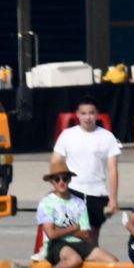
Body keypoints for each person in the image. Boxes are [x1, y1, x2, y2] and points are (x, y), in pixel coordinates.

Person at [35, 160, 118, 268]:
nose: (62, 182)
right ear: (51, 182)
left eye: (65, 178)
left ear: (69, 180)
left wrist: (61, 229)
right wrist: (74, 227)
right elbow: (51, 234)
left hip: (78, 243)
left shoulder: (79, 203)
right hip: (55, 245)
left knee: (112, 261)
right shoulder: (47, 203)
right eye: (57, 179)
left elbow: (85, 233)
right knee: (74, 259)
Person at [51, 95, 121, 245]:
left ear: (97, 114)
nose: (87, 117)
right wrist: (58, 188)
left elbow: (112, 169)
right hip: (73, 190)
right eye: (83, 113)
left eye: (91, 113)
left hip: (98, 192)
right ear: (77, 114)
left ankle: (90, 265)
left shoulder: (107, 137)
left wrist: (113, 199)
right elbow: (55, 161)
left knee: (92, 238)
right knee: (75, 234)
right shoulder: (68, 135)